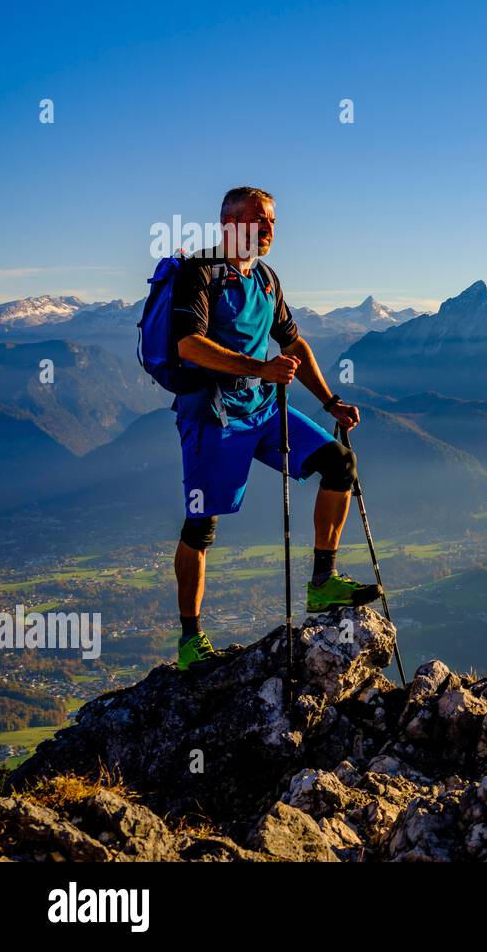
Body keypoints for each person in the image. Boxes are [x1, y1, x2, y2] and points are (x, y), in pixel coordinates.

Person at [171, 186, 379, 670]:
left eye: (272, 222)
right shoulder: (199, 274)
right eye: (260, 220)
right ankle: (189, 640)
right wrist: (258, 368)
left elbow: (295, 345)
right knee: (201, 526)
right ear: (229, 223)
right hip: (213, 417)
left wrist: (330, 401)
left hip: (263, 408)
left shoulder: (265, 278)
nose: (269, 229)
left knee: (338, 463)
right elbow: (188, 345)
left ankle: (323, 582)